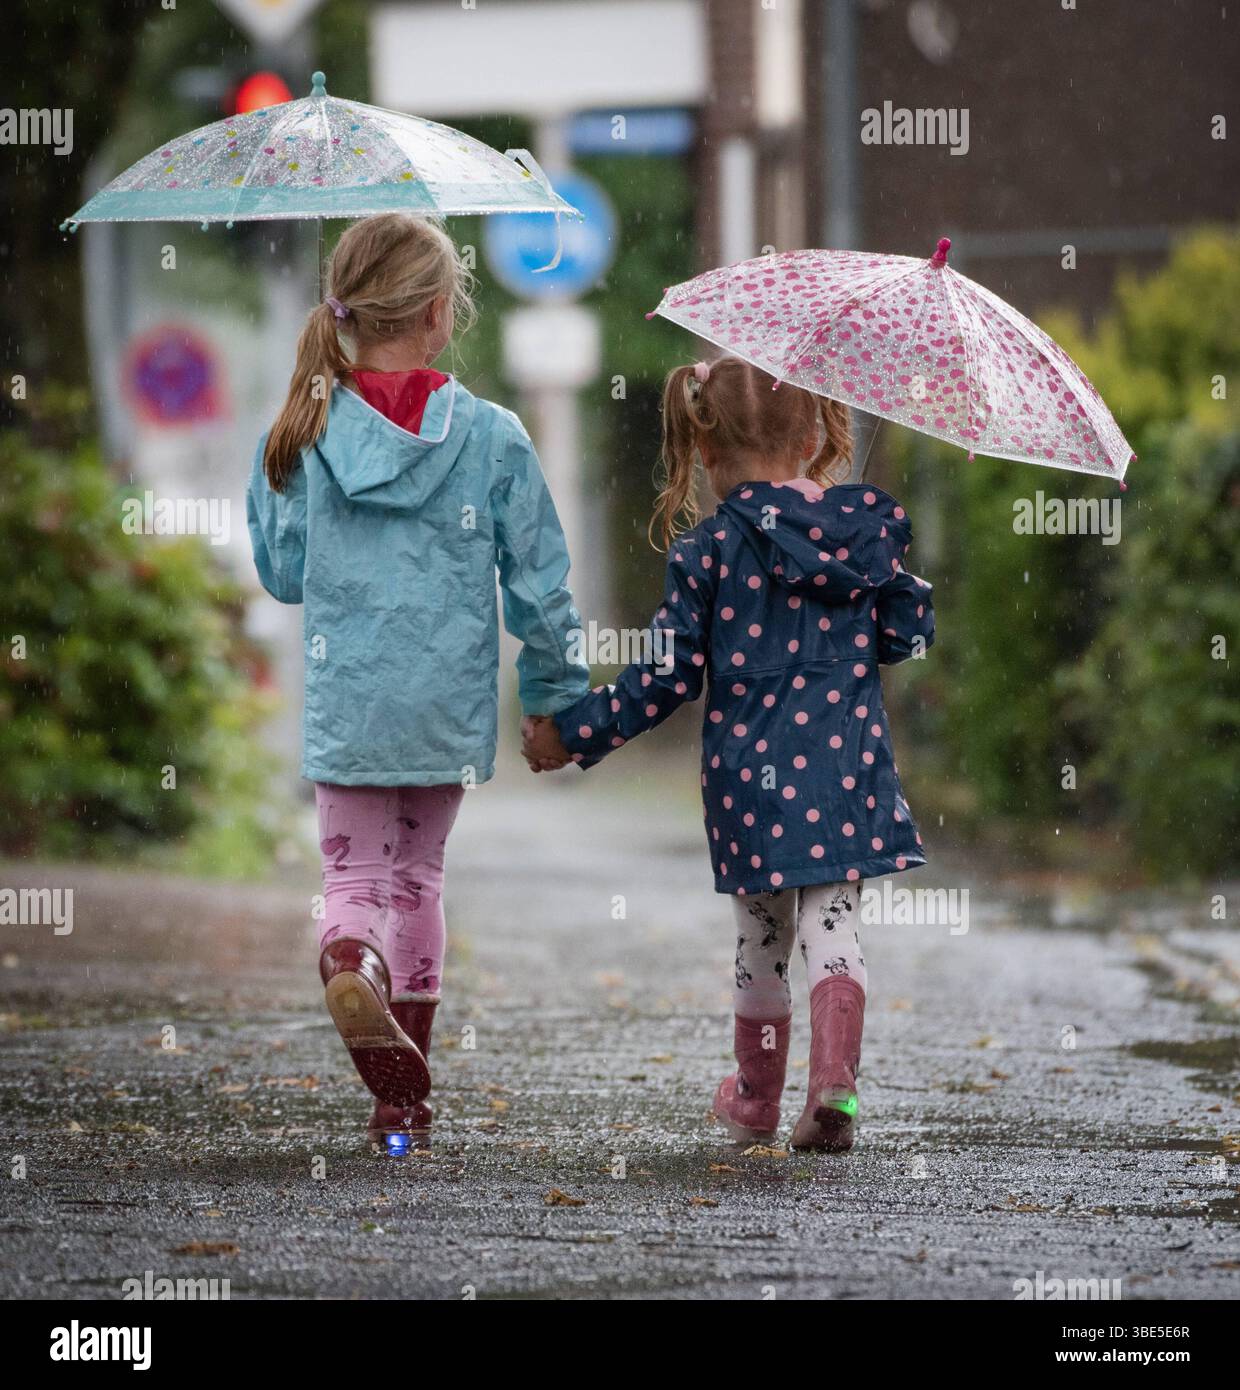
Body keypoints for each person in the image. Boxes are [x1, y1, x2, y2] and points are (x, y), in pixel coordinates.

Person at [523, 355, 935, 1151]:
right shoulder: (860, 538)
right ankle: (836, 1087)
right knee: (835, 927)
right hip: (845, 774)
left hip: (751, 788)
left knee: (762, 945)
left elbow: (664, 679)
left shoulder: (709, 552)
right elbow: (903, 639)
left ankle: (756, 1097)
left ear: (706, 454)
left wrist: (574, 733)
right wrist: (893, 581)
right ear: (816, 436)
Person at [247, 213, 589, 1145]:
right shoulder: (492, 437)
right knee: (419, 878)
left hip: (349, 697)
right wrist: (558, 703)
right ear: (441, 315)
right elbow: (541, 588)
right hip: (442, 705)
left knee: (352, 875)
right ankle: (404, 1098)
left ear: (345, 314)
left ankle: (348, 960)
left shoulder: (305, 427)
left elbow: (282, 574)